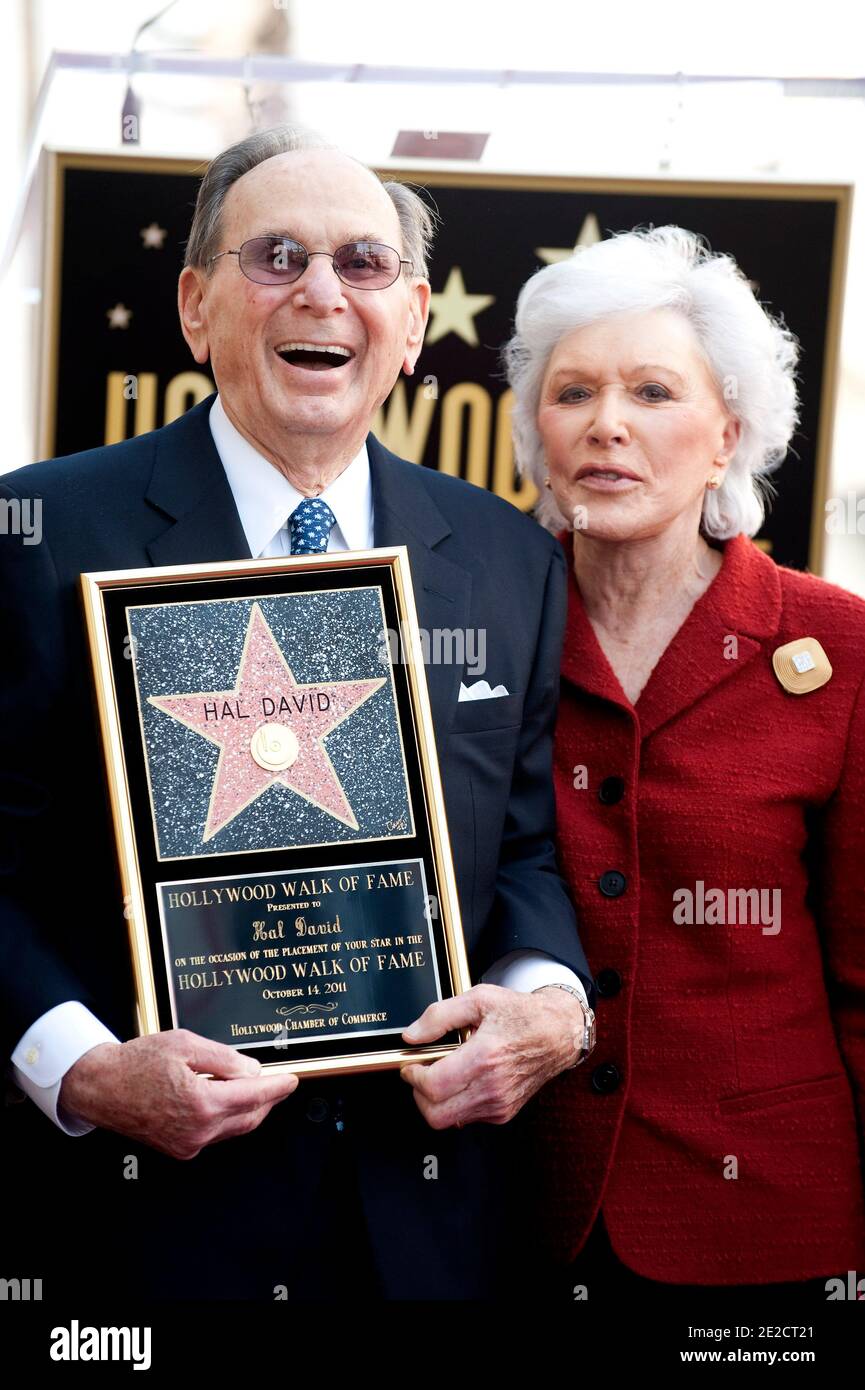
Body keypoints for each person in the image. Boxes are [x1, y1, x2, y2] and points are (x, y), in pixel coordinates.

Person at [0, 126, 594, 1301]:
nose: (321, 290)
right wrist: (80, 1070)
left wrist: (546, 1007)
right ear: (194, 305)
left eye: (363, 264)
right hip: (141, 1239)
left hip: (428, 1233)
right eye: (275, 256)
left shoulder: (505, 557)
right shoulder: (38, 535)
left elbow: (526, 847)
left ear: (414, 319)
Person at [504, 225, 865, 1302]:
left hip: (765, 1232)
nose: (605, 425)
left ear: (727, 436)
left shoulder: (836, 646)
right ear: (535, 432)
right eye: (572, 394)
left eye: (652, 392)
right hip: (512, 1218)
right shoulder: (476, 623)